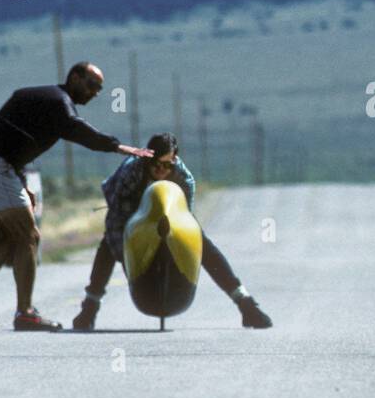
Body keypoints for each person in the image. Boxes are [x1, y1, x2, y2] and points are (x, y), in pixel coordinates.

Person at [0, 62, 152, 331]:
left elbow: (13, 139)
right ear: (74, 77)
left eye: (99, 89)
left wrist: (20, 180)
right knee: (29, 237)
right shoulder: (58, 102)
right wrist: (118, 147)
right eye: (91, 85)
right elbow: (77, 129)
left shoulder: (39, 97)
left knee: (12, 237)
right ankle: (24, 313)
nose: (95, 92)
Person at [73, 132, 271, 330]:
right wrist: (131, 266)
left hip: (170, 217)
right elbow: (116, 220)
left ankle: (246, 305)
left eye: (167, 165)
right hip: (131, 214)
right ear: (146, 160)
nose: (161, 170)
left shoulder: (185, 179)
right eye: (155, 164)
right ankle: (89, 309)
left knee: (202, 244)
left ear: (174, 160)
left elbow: (186, 218)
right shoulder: (131, 172)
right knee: (108, 243)